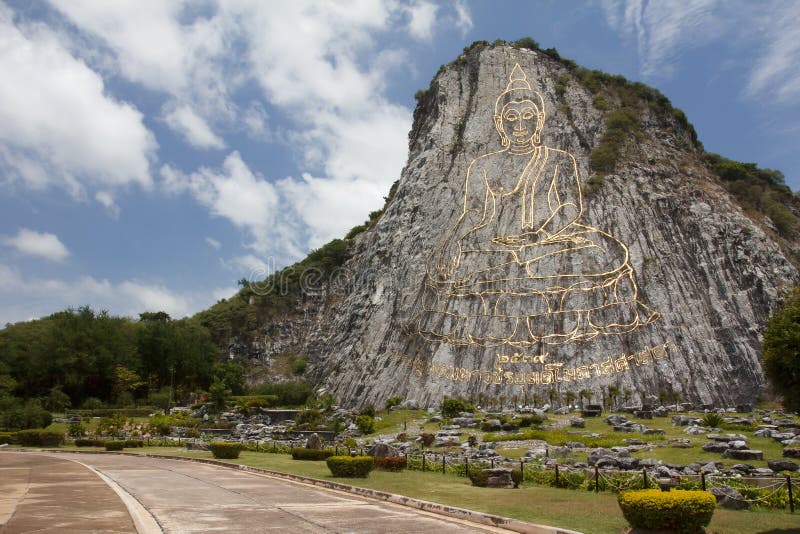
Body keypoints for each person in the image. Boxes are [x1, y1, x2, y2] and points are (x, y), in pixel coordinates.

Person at [416, 63, 657, 347]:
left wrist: (541, 235)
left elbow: (570, 206)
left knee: (602, 249)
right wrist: (452, 242)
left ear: (539, 120)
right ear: (499, 123)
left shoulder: (558, 159)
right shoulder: (483, 165)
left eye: (528, 116)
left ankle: (532, 284)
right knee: (468, 260)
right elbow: (475, 212)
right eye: (511, 118)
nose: (520, 125)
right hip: (498, 245)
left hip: (550, 241)